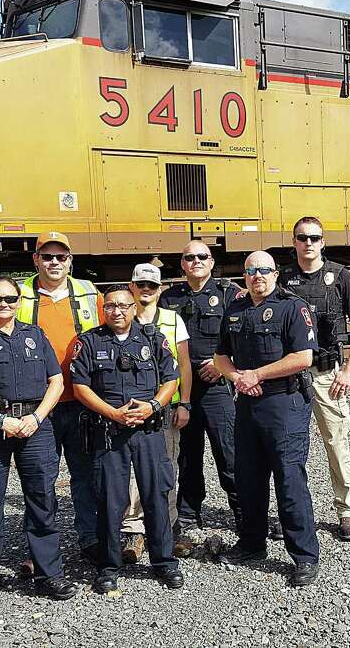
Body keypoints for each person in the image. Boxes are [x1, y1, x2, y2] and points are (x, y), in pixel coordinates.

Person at [0, 276, 78, 624]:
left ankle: (48, 575)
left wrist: (37, 416)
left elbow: (57, 381)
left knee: (42, 501)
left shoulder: (34, 335)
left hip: (35, 427)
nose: (4, 305)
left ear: (19, 301)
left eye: (10, 299)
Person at [213, 251, 320, 587]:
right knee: (248, 479)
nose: (256, 276)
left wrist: (255, 375)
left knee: (289, 482)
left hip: (284, 405)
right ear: (244, 276)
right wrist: (238, 378)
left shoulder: (293, 307)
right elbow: (220, 356)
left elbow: (303, 357)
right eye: (250, 271)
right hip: (246, 404)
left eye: (263, 270)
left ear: (275, 274)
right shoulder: (235, 309)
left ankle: (304, 556)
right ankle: (251, 544)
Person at [71, 288, 184, 592]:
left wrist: (154, 406)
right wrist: (112, 413)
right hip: (109, 433)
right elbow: (80, 386)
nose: (116, 311)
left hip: (147, 431)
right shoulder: (89, 342)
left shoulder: (151, 337)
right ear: (102, 310)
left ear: (134, 308)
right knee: (110, 499)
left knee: (156, 495)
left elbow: (171, 377)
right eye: (110, 306)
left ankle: (164, 562)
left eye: (123, 305)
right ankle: (108, 566)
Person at [279, 216, 350, 542]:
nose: (308, 243)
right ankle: (290, 513)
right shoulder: (283, 279)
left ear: (323, 241)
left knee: (336, 442)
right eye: (302, 237)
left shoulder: (339, 276)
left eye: (314, 237)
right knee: (290, 448)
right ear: (294, 242)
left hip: (326, 375)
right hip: (290, 377)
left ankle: (347, 511)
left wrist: (349, 371)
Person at [16, 232, 102, 565]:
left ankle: (90, 538)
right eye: (47, 256)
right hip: (39, 406)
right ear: (35, 259)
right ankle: (38, 550)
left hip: (81, 401)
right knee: (40, 479)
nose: (54, 263)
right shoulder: (19, 295)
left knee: (85, 476)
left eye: (61, 257)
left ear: (70, 260)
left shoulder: (88, 293)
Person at [160, 240, 241, 534]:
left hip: (216, 387)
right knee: (188, 455)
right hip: (183, 390)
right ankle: (189, 511)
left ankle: (243, 509)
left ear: (211, 261)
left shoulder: (229, 294)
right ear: (182, 264)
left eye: (202, 256)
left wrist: (224, 364)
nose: (196, 261)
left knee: (228, 451)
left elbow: (244, 336)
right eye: (189, 257)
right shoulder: (168, 298)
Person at [120, 263, 194, 559]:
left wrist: (184, 401)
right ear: (132, 287)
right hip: (132, 410)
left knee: (166, 469)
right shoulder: (122, 317)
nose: (146, 290)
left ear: (160, 288)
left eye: (152, 286)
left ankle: (168, 525)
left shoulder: (173, 319)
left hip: (166, 408)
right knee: (131, 475)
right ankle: (133, 531)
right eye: (141, 285)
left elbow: (184, 364)